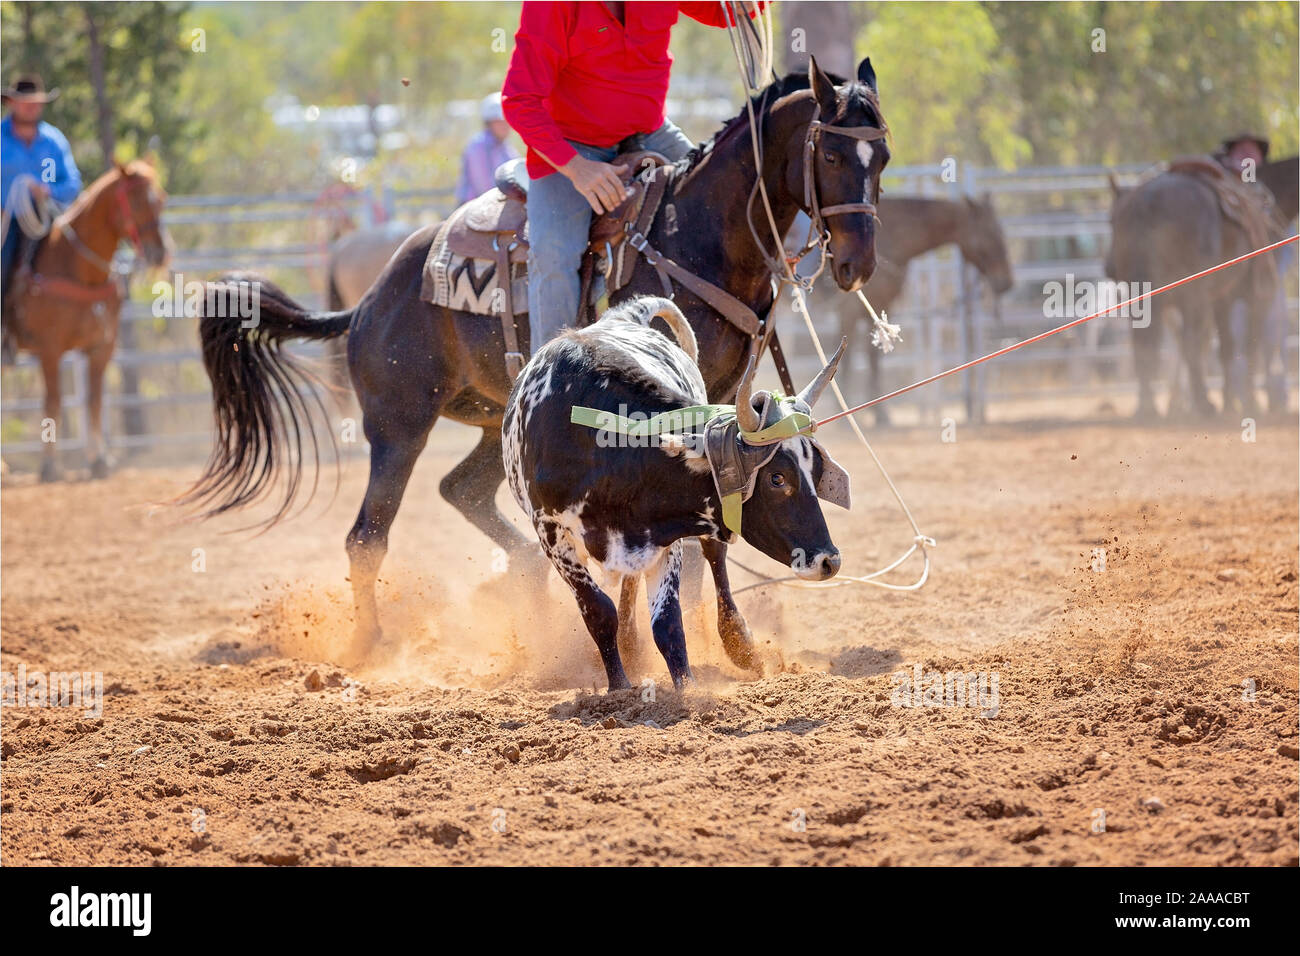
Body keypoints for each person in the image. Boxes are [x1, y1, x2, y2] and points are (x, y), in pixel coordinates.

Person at [502, 1, 756, 351]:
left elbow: (724, 10)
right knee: (555, 254)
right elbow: (519, 101)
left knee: (726, 201)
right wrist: (578, 169)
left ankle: (740, 341)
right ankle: (550, 379)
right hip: (572, 146)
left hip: (649, 131)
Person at [1, 74, 82, 298]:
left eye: (36, 102)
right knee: (3, 266)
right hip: (9, 223)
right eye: (26, 102)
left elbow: (73, 183)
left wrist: (49, 191)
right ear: (11, 103)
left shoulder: (54, 140)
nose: (32, 107)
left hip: (50, 219)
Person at [455, 92, 518, 206]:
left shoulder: (506, 147)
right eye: (499, 122)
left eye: (507, 121)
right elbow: (483, 185)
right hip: (472, 207)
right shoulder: (478, 146)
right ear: (489, 123)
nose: (505, 126)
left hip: (495, 203)